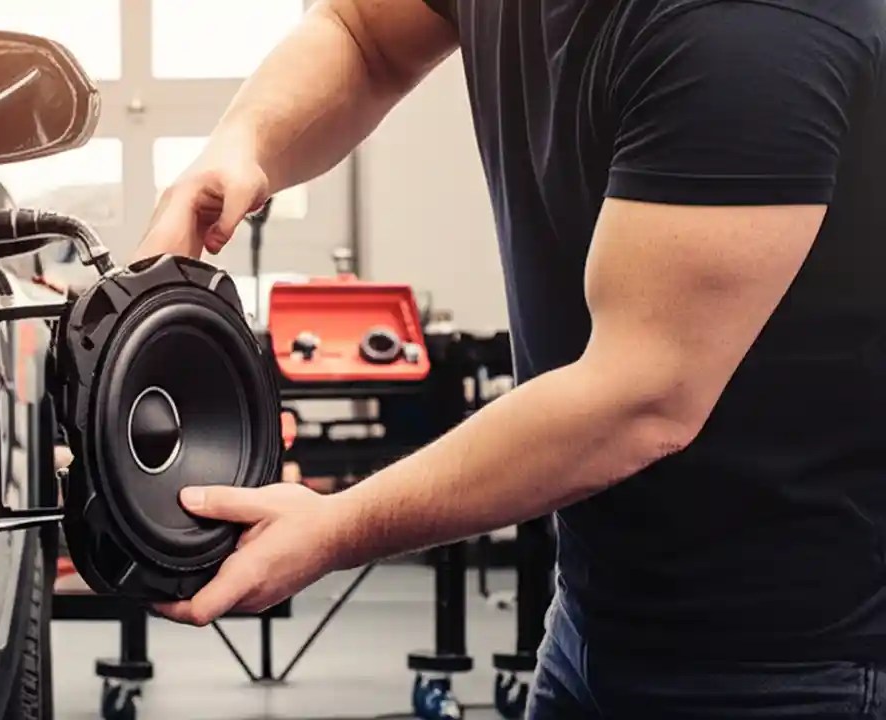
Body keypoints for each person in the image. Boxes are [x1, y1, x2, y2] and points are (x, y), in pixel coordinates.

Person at [135, 0, 886, 717]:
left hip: (797, 659)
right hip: (596, 614)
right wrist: (239, 149)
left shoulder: (751, 28)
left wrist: (334, 528)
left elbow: (638, 400)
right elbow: (365, 31)